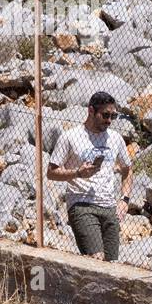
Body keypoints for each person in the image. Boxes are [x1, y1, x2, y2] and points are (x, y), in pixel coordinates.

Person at [48, 91, 133, 262]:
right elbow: (51, 172)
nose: (109, 121)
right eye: (105, 115)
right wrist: (78, 173)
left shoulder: (115, 139)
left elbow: (128, 169)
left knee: (111, 265)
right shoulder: (70, 137)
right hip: (81, 205)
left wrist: (124, 200)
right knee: (96, 258)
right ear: (91, 111)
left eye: (113, 116)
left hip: (109, 207)